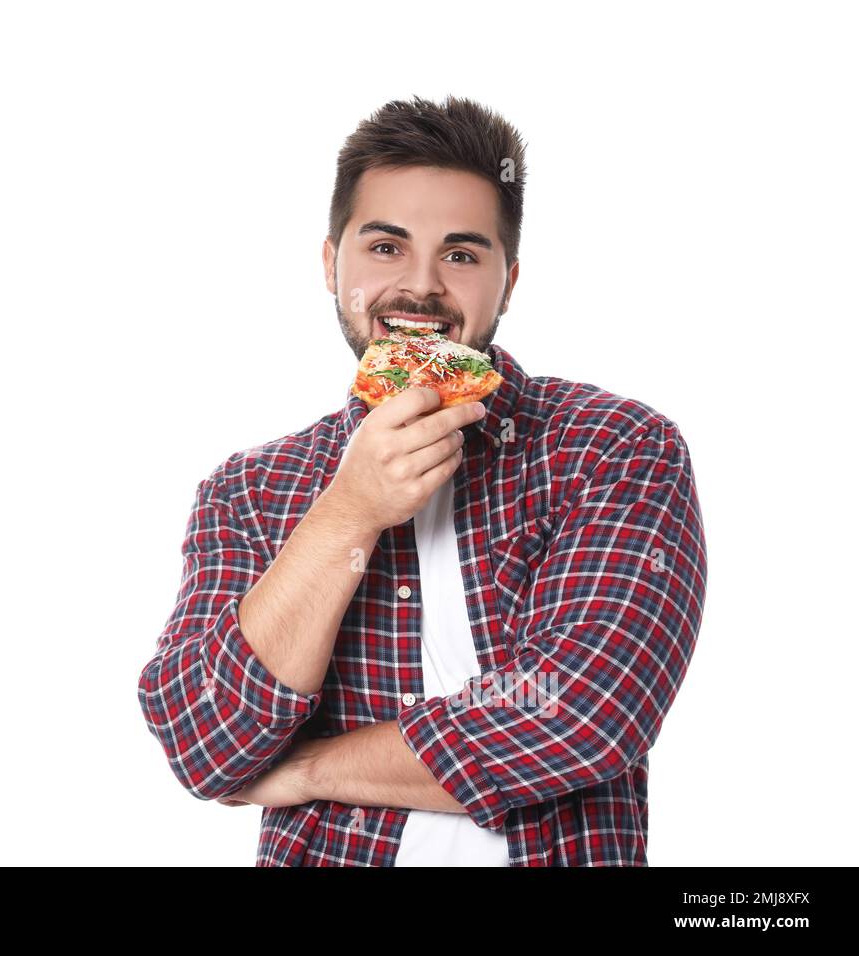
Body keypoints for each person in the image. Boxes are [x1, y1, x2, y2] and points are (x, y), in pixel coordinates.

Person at [136, 95, 708, 866]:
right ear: (330, 262)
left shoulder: (612, 448)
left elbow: (581, 711)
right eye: (385, 248)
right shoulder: (248, 491)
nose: (422, 287)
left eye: (463, 255)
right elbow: (204, 743)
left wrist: (308, 768)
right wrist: (347, 513)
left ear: (508, 283)